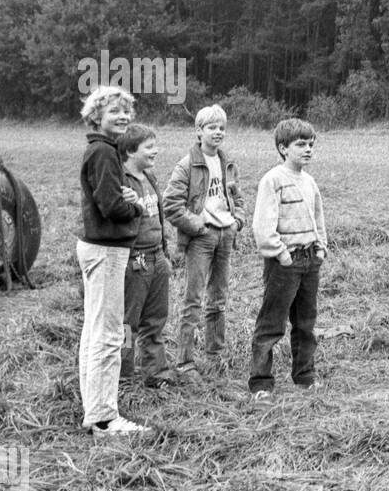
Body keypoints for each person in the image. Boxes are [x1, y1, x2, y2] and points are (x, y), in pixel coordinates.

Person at [76, 86, 149, 436]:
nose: (123, 117)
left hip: (99, 247)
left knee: (94, 331)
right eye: (114, 112)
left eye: (126, 111)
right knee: (107, 335)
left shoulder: (102, 150)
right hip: (106, 250)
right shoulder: (104, 153)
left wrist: (128, 198)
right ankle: (104, 418)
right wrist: (136, 205)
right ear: (96, 117)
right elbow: (111, 206)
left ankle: (94, 408)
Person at [162, 103, 245, 379]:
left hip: (225, 236)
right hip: (201, 238)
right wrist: (197, 225)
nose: (218, 132)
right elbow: (171, 205)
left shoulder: (227, 163)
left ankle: (214, 355)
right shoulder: (187, 165)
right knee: (193, 300)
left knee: (219, 299)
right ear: (199, 131)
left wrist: (238, 221)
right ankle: (185, 362)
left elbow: (238, 197)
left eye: (221, 128)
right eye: (212, 128)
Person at [248, 118, 327, 400]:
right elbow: (262, 227)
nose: (308, 150)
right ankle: (261, 382)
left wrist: (320, 247)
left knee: (306, 322)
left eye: (310, 145)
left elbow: (317, 217)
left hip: (309, 261)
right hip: (285, 263)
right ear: (283, 148)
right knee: (272, 324)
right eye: (300, 145)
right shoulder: (273, 180)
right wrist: (282, 255)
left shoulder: (309, 181)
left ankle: (304, 376)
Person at [118, 125, 177, 389]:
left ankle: (156, 373)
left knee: (156, 319)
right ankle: (122, 374)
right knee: (128, 323)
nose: (156, 151)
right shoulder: (121, 182)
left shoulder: (149, 177)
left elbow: (159, 219)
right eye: (149, 147)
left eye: (155, 145)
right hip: (136, 259)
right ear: (130, 150)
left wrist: (164, 253)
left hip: (157, 256)